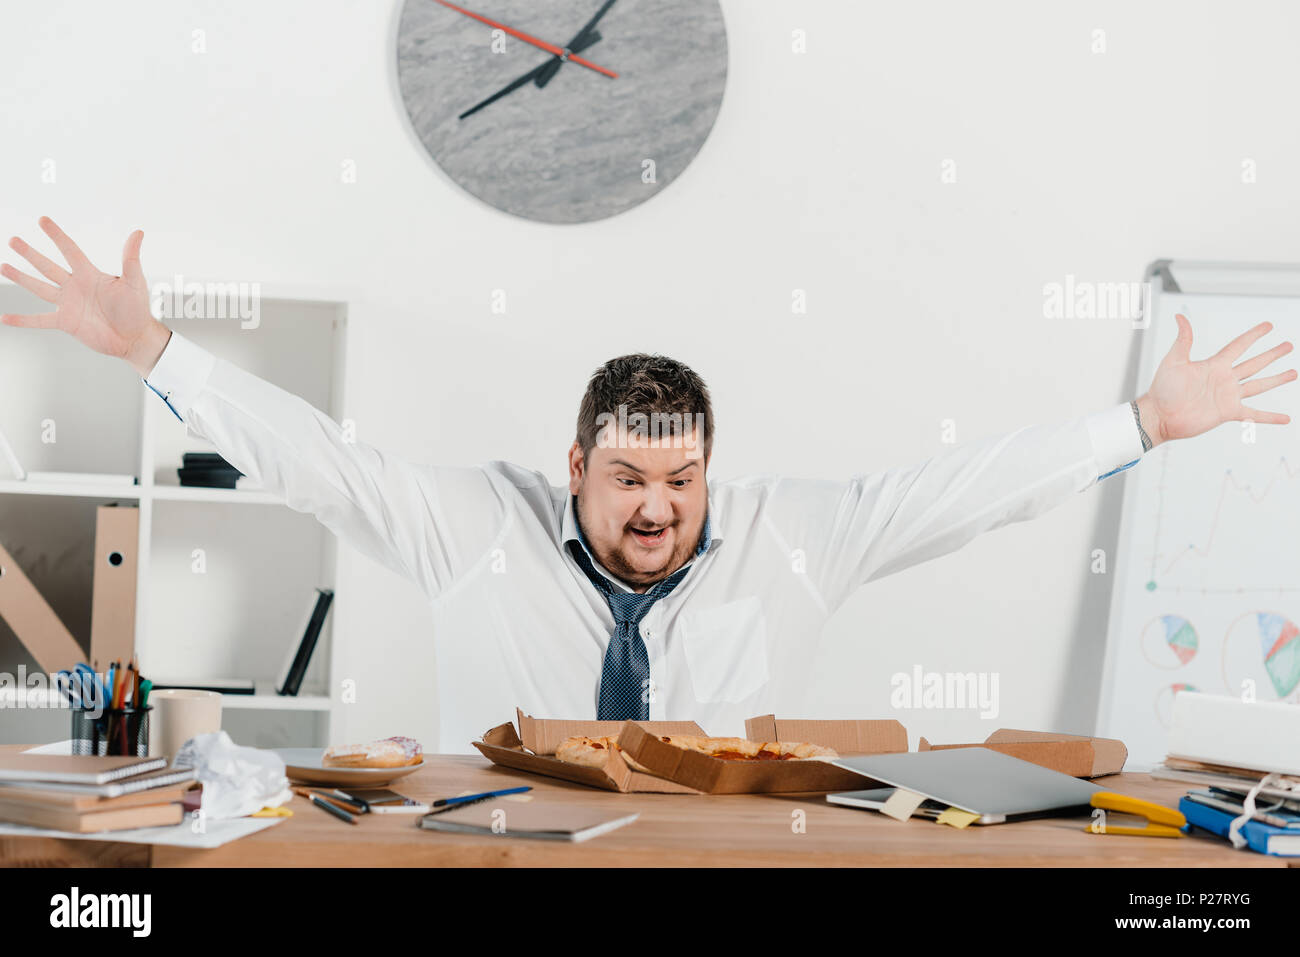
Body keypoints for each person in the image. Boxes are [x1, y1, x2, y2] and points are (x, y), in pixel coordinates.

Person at [3, 218, 1295, 751]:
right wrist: (154, 354)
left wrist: (1142, 420)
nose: (656, 508)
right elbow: (317, 462)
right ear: (576, 466)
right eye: (626, 476)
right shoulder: (474, 528)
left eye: (681, 478)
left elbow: (971, 488)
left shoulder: (801, 537)